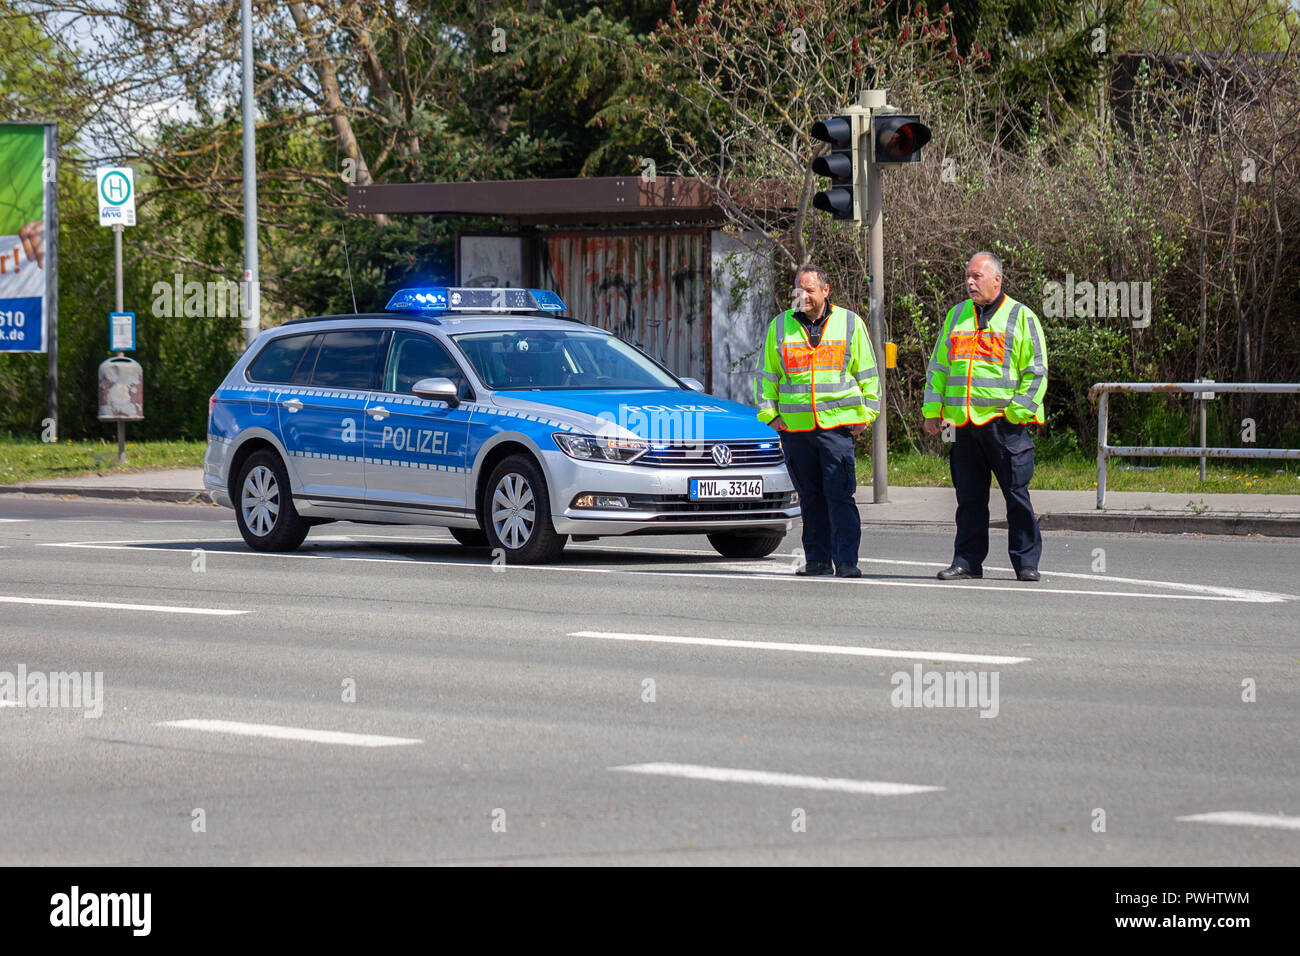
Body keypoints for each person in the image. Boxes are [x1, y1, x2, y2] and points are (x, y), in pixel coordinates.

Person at [923, 251, 1048, 582]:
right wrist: (932, 411)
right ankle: (966, 561)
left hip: (1004, 426)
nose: (969, 282)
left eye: (976, 276)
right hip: (961, 427)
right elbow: (938, 367)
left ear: (997, 279)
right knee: (969, 500)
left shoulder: (1021, 317)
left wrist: (1014, 414)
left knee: (1017, 498)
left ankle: (1025, 562)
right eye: (967, 276)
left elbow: (1036, 372)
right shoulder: (956, 316)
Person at [755, 264, 879, 578]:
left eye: (810, 289)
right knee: (810, 499)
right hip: (795, 429)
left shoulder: (850, 323)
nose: (803, 295)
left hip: (837, 428)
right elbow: (766, 376)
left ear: (825, 291)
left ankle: (847, 561)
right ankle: (818, 560)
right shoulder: (780, 326)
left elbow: (868, 376)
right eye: (799, 289)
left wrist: (867, 415)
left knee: (840, 497)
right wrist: (771, 416)